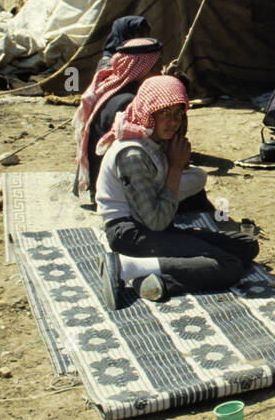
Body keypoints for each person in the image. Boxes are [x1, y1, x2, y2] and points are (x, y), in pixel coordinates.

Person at [95, 75, 258, 301]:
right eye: (165, 113)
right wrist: (175, 168)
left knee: (247, 245)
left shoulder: (156, 142)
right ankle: (130, 268)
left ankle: (150, 270)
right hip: (130, 233)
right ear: (149, 112)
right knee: (229, 265)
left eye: (178, 114)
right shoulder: (133, 154)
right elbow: (156, 221)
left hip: (152, 227)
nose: (173, 121)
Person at [72, 35, 163, 198]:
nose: (160, 73)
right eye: (156, 68)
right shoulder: (128, 102)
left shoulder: (110, 88)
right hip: (113, 188)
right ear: (142, 69)